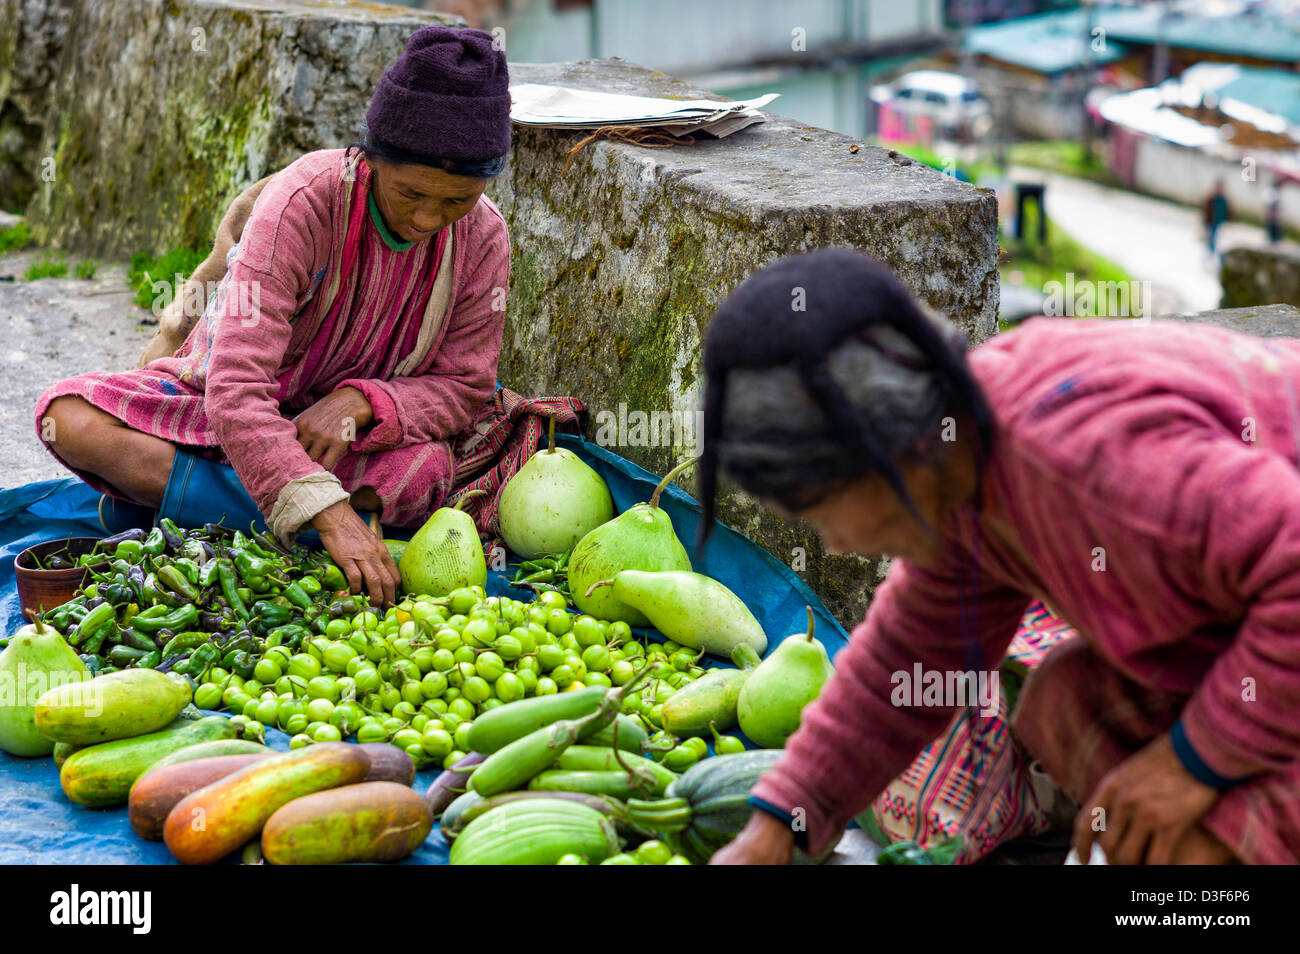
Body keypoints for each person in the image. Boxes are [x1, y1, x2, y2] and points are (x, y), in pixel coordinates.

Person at [700, 247, 1300, 865]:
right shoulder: (961, 463)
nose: (835, 544)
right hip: (1247, 632)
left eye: (826, 512)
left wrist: (1189, 767)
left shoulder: (1085, 460)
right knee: (1066, 701)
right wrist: (777, 824)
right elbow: (900, 670)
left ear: (895, 451)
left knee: (1198, 845)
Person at [33, 26, 566, 608]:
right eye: (411, 193)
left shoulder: (484, 236)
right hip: (234, 417)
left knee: (427, 472)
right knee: (71, 416)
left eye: (455, 201)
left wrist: (363, 401)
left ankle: (186, 503)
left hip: (346, 443)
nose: (427, 218)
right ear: (373, 159)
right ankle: (300, 521)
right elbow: (235, 389)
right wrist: (328, 511)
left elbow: (464, 388)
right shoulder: (302, 203)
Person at [1203, 180, 1230, 258]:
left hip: (1219, 222)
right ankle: (1211, 253)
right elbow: (1206, 210)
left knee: (1217, 239)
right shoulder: (1211, 198)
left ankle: (1214, 253)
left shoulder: (1224, 199)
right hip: (1211, 222)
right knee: (1212, 238)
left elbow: (1226, 211)